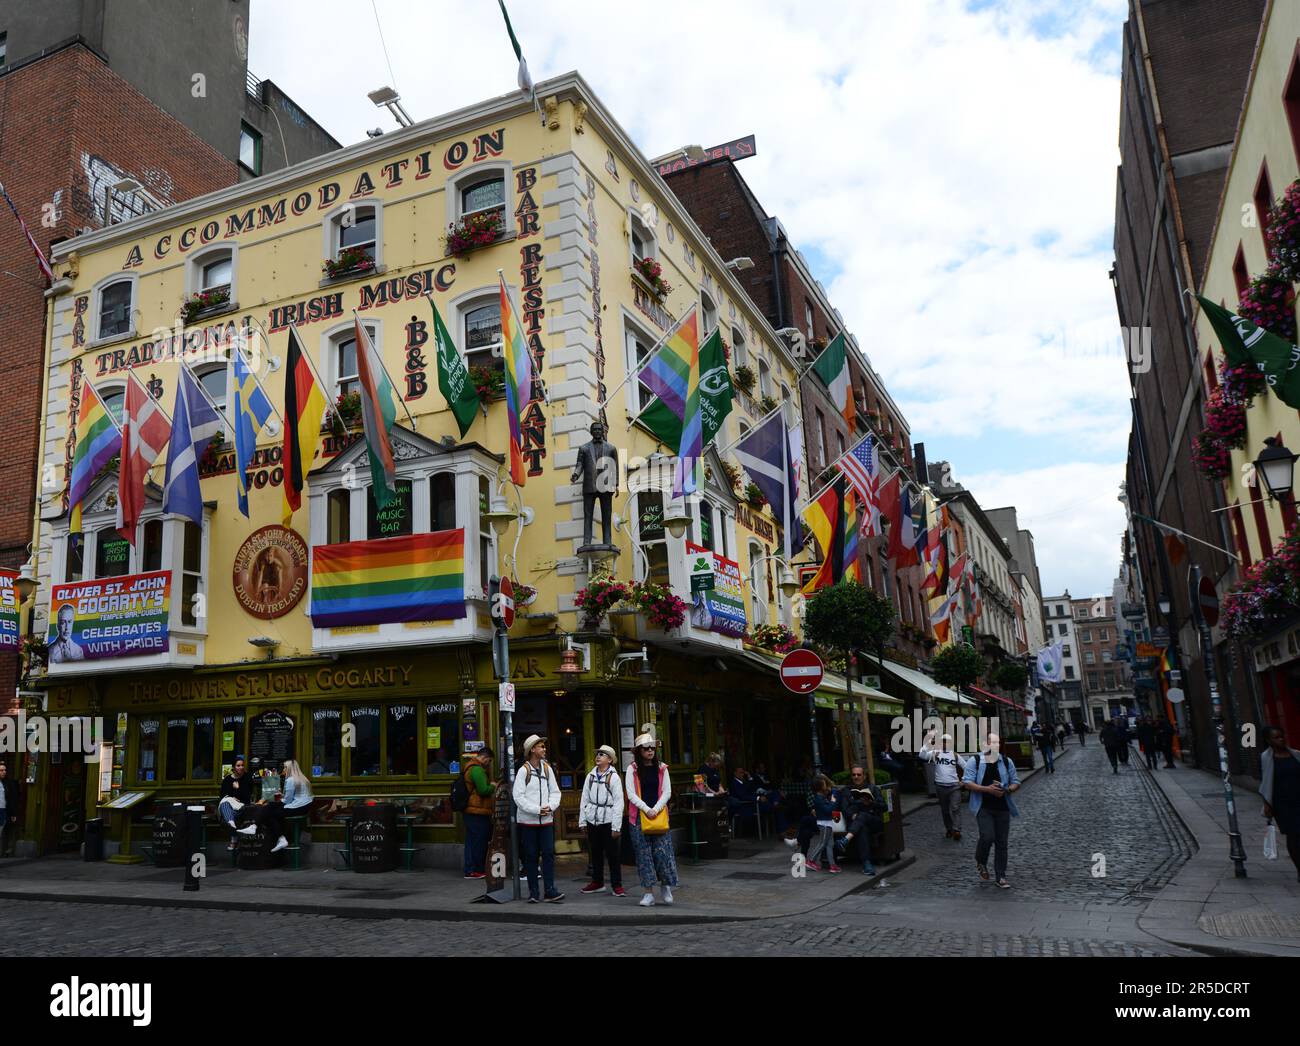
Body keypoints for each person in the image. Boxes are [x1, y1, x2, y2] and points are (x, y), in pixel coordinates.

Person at [962, 733, 1021, 889]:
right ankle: (980, 860)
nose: (995, 745)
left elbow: (1016, 782)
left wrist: (1007, 789)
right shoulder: (974, 761)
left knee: (1002, 843)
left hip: (1002, 807)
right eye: (992, 742)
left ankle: (1001, 876)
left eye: (997, 742)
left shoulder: (1007, 762)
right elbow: (967, 782)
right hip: (983, 807)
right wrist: (987, 789)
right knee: (987, 836)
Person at [625, 733, 678, 907]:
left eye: (652, 748)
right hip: (639, 818)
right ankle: (648, 893)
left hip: (659, 815)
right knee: (644, 856)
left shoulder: (662, 768)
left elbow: (667, 791)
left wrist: (655, 808)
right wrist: (646, 809)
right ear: (639, 751)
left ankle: (665, 886)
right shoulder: (632, 769)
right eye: (646, 748)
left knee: (663, 853)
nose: (650, 751)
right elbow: (631, 793)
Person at [512, 735, 564, 903]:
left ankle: (550, 890)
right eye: (541, 746)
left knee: (548, 854)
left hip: (546, 821)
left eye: (543, 746)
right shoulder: (523, 770)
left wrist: (551, 806)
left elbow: (556, 792)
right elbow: (518, 797)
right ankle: (533, 892)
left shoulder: (547, 769)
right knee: (531, 856)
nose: (544, 749)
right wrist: (537, 810)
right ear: (532, 749)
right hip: (528, 822)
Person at [578, 745, 625, 896]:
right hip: (593, 819)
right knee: (595, 852)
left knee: (613, 855)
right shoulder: (590, 776)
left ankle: (616, 884)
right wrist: (583, 821)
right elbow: (584, 799)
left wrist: (616, 826)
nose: (598, 756)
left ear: (610, 760)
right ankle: (597, 882)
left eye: (603, 755)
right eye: (598, 754)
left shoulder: (614, 777)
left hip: (609, 820)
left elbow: (619, 803)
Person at [237, 759, 313, 853]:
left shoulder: (290, 780)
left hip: (298, 807)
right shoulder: (302, 778)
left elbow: (287, 801)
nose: (283, 769)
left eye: (285, 767)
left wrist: (277, 800)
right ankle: (276, 836)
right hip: (305, 807)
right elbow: (295, 797)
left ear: (289, 769)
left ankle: (258, 827)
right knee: (272, 809)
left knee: (270, 810)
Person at [1261, 726, 1300, 882]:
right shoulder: (1266, 758)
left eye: (1281, 736)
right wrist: (1266, 804)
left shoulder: (1296, 755)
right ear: (1268, 740)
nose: (1281, 739)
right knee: (1294, 836)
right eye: (1276, 737)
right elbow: (1264, 783)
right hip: (1282, 804)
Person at [835, 765, 882, 874]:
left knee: (863, 816)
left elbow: (883, 806)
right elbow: (844, 809)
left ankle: (845, 840)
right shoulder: (847, 791)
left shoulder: (872, 788)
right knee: (862, 828)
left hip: (873, 821)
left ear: (864, 776)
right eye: (854, 775)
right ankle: (866, 864)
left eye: (859, 774)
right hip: (857, 824)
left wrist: (871, 803)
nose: (856, 777)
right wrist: (852, 815)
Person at [920, 732, 965, 839]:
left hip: (954, 786)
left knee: (955, 808)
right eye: (943, 741)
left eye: (947, 742)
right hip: (940, 786)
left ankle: (957, 830)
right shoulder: (936, 753)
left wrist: (963, 781)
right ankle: (949, 829)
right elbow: (921, 755)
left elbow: (967, 767)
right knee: (945, 810)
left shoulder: (955, 755)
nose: (945, 744)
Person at [461, 746, 495, 880]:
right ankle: (477, 869)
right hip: (477, 811)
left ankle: (469, 870)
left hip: (470, 810)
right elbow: (483, 790)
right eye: (490, 761)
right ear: (485, 758)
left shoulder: (469, 767)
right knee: (479, 841)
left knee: (471, 840)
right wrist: (492, 785)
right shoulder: (477, 770)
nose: (489, 764)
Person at [218, 757, 257, 848]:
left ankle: (233, 834)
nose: (241, 767)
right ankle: (231, 823)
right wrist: (232, 798)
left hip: (243, 806)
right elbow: (223, 796)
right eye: (238, 765)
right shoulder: (227, 780)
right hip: (230, 806)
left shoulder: (247, 777)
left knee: (228, 813)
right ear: (233, 767)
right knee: (225, 802)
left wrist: (237, 788)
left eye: (242, 765)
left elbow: (247, 796)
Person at [805, 775, 840, 873]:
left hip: (828, 823)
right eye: (824, 783)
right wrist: (833, 802)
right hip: (824, 824)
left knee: (830, 844)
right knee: (823, 843)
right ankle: (811, 860)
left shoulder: (821, 796)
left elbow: (832, 787)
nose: (826, 784)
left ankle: (832, 865)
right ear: (821, 787)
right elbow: (828, 810)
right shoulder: (819, 798)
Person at [0, 761, 19, 857]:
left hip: (5, 811)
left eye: (4, 770)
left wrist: (13, 814)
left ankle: (7, 851)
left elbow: (12, 799)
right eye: (1, 770)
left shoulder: (9, 783)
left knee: (7, 831)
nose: (3, 772)